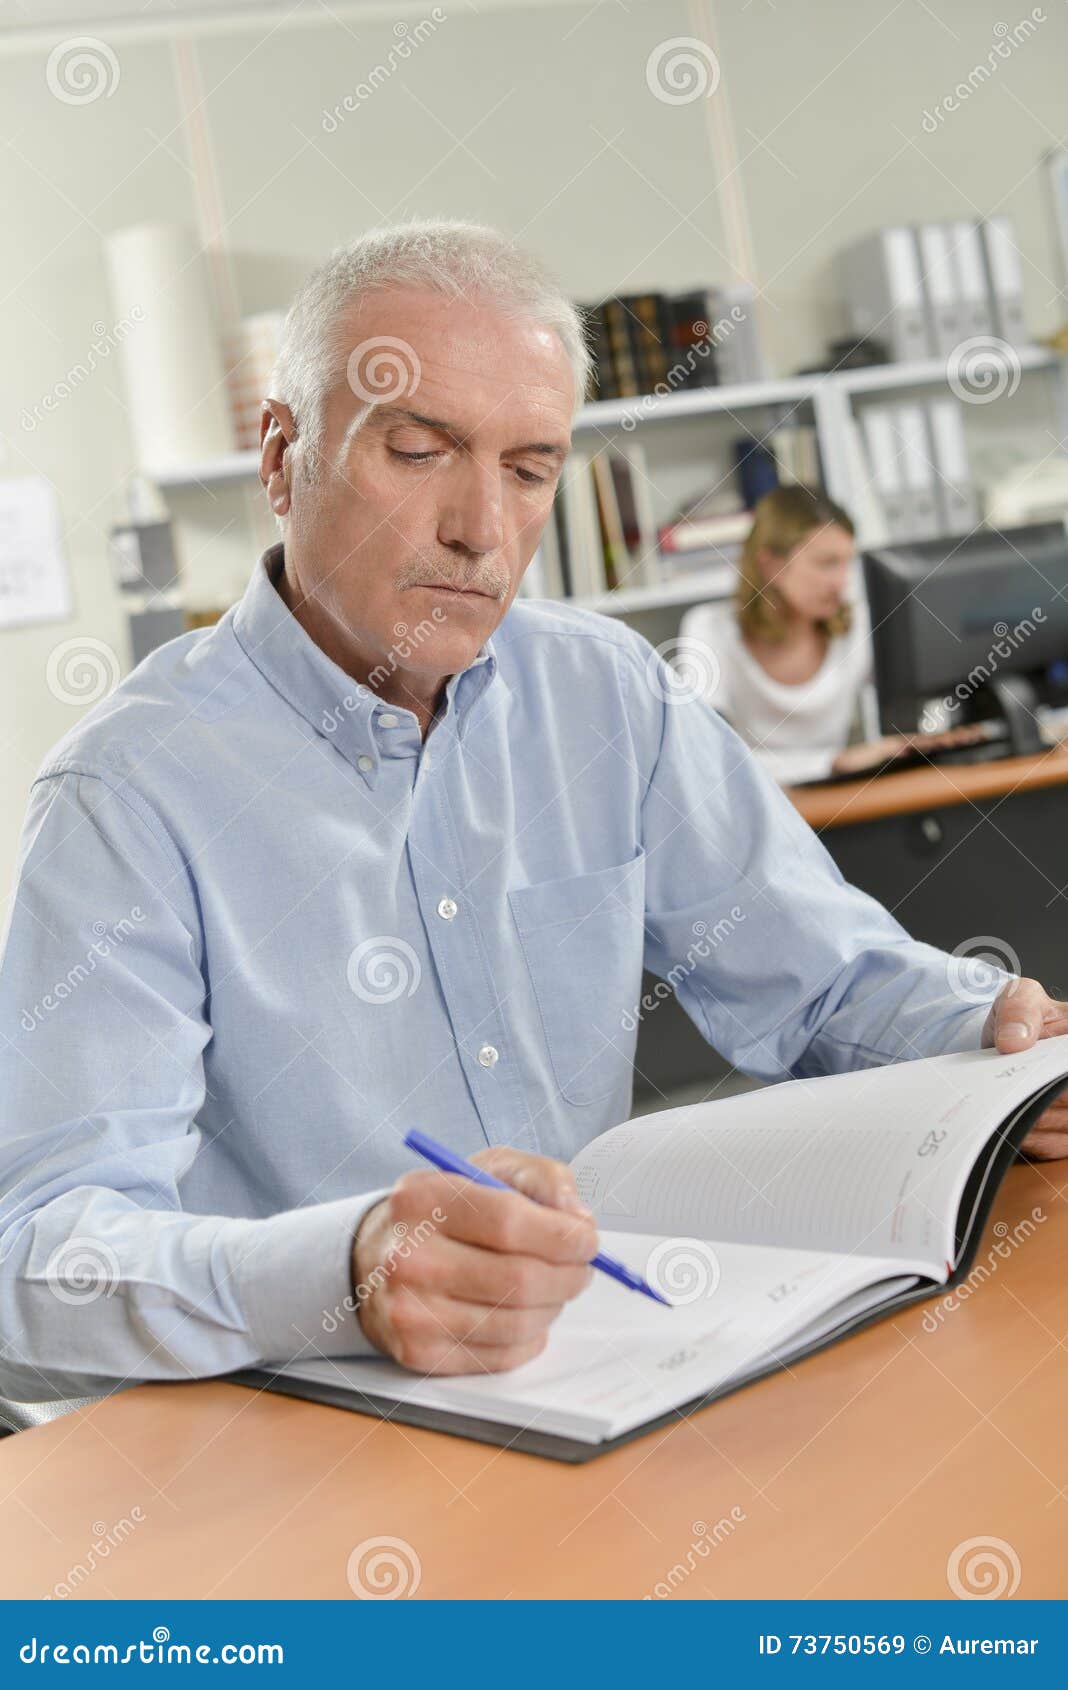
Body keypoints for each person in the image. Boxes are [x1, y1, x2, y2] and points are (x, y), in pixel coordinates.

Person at [0, 219, 1065, 1407]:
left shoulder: (605, 692)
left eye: (529, 469)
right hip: (293, 1437)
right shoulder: (128, 792)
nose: (483, 528)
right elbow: (41, 1253)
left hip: (594, 1372)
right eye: (418, 451)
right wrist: (343, 1274)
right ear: (280, 458)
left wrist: (999, 1046)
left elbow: (825, 980)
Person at [679, 483, 985, 784]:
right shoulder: (709, 629)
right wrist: (832, 762)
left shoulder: (857, 627)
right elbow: (711, 758)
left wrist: (939, 732)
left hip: (836, 806)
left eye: (846, 563)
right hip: (754, 815)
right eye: (827, 564)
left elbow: (925, 689)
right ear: (771, 565)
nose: (841, 582)